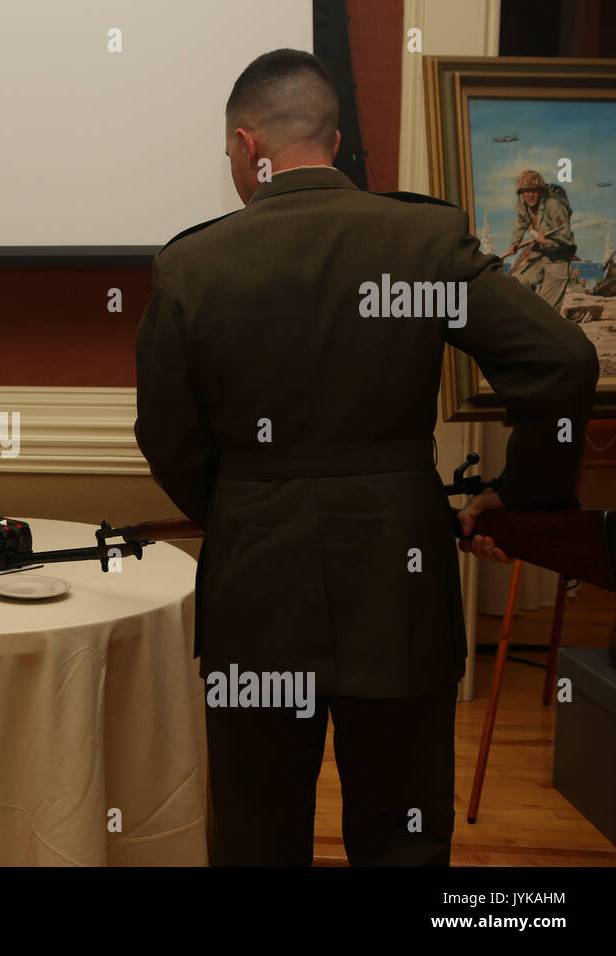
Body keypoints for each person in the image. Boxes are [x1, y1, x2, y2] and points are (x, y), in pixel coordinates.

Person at [134, 50, 598, 866]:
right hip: (400, 589)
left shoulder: (189, 265)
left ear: (248, 147)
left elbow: (167, 439)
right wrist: (522, 498)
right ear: (337, 139)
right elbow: (562, 362)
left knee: (256, 837)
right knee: (402, 838)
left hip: (257, 595)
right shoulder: (422, 238)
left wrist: (241, 507)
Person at [507, 170, 576, 310]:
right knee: (515, 283)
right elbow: (520, 223)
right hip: (540, 254)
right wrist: (515, 242)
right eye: (526, 191)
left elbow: (567, 239)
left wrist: (545, 241)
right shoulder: (523, 203)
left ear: (541, 191)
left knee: (547, 308)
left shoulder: (554, 206)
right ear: (521, 192)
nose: (530, 195)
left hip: (559, 259)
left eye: (534, 190)